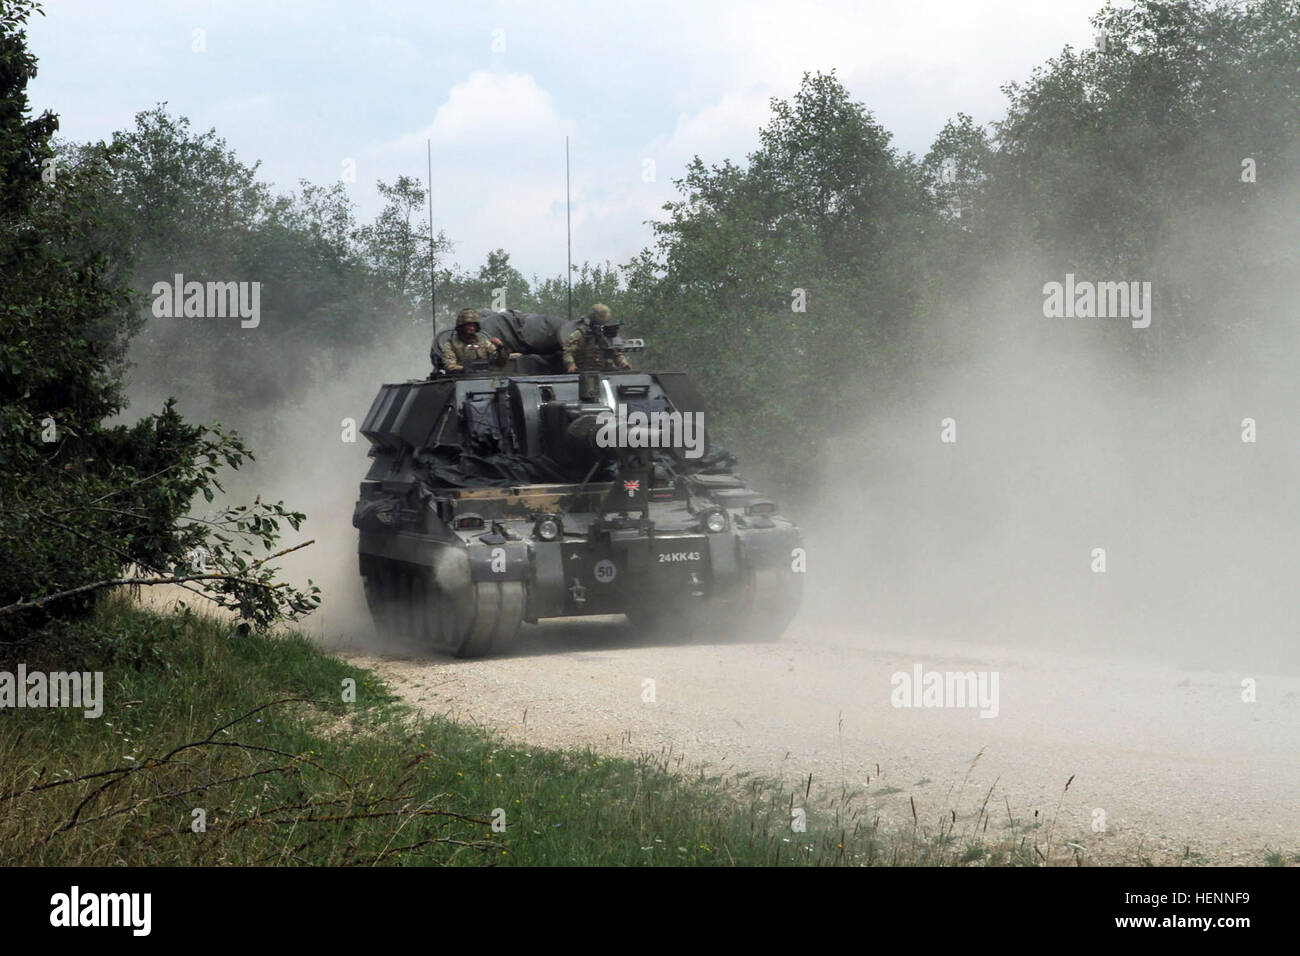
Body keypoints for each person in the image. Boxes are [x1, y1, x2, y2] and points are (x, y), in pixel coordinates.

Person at [562, 303, 631, 373]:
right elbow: (568, 352)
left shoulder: (607, 333)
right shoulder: (581, 334)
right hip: (583, 371)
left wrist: (623, 363)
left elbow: (616, 353)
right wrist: (571, 365)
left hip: (605, 371)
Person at [440, 308, 507, 373]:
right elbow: (450, 366)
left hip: (484, 377)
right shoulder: (451, 344)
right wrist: (465, 369)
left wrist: (501, 348)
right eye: (469, 325)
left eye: (474, 325)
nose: (472, 328)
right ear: (461, 326)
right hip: (462, 378)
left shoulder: (483, 341)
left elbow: (499, 362)